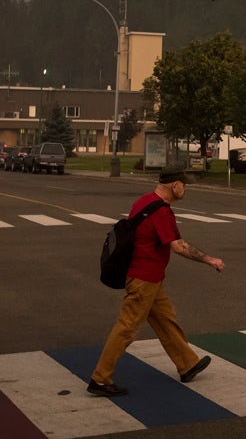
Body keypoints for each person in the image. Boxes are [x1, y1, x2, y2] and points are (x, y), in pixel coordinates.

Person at [87, 168, 225, 397]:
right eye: (184, 185)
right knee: (126, 328)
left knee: (166, 320)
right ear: (175, 186)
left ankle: (187, 364)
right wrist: (210, 260)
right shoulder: (161, 212)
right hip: (144, 279)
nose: (185, 189)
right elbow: (179, 246)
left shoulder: (144, 201)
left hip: (150, 278)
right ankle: (100, 379)